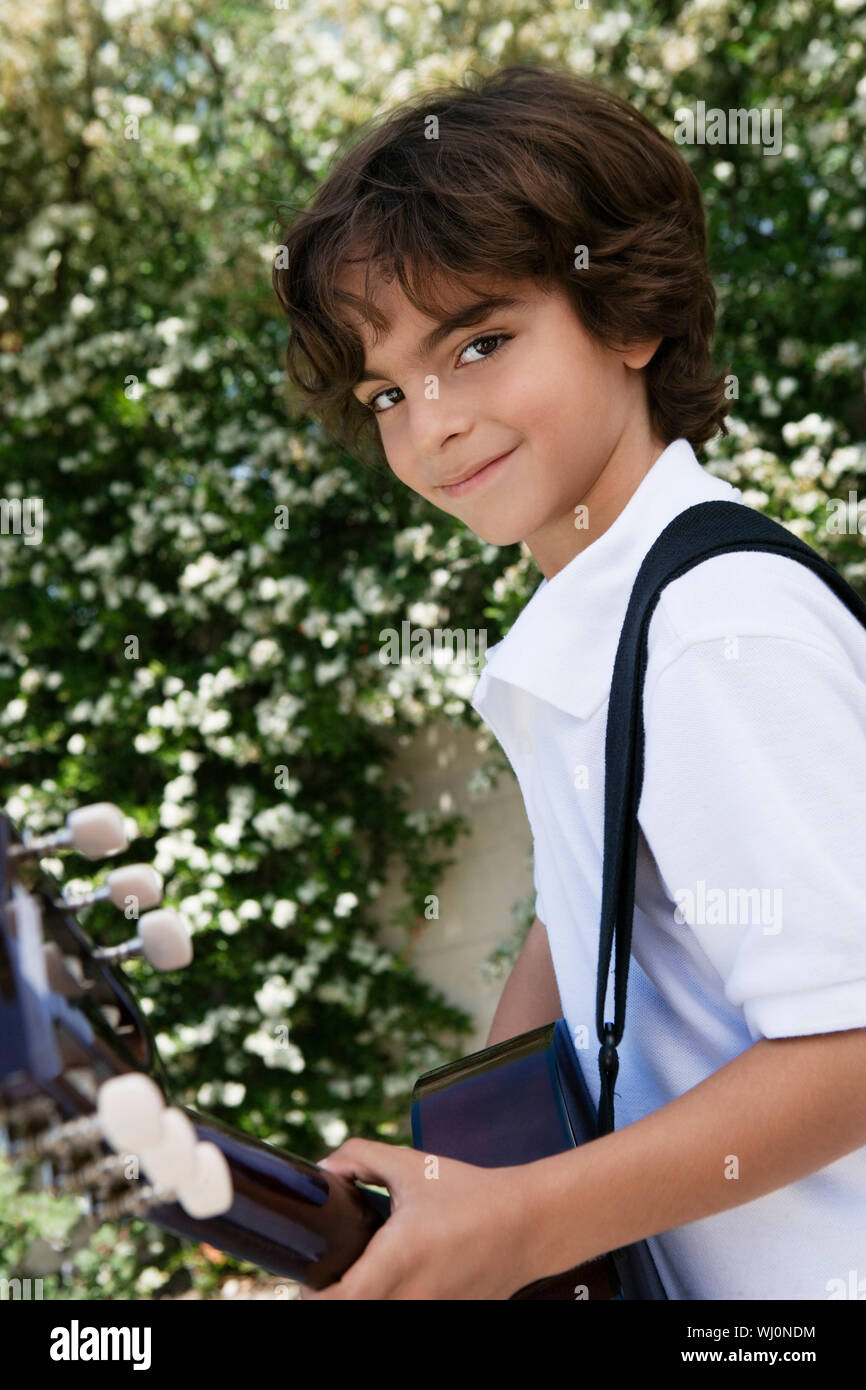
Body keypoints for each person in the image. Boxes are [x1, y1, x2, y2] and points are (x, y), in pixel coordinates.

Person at [271, 63, 866, 1300]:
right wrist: (466, 1174)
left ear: (628, 315)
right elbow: (585, 905)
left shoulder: (709, 633)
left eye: (479, 344)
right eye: (387, 391)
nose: (431, 423)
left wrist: (526, 1223)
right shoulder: (602, 622)